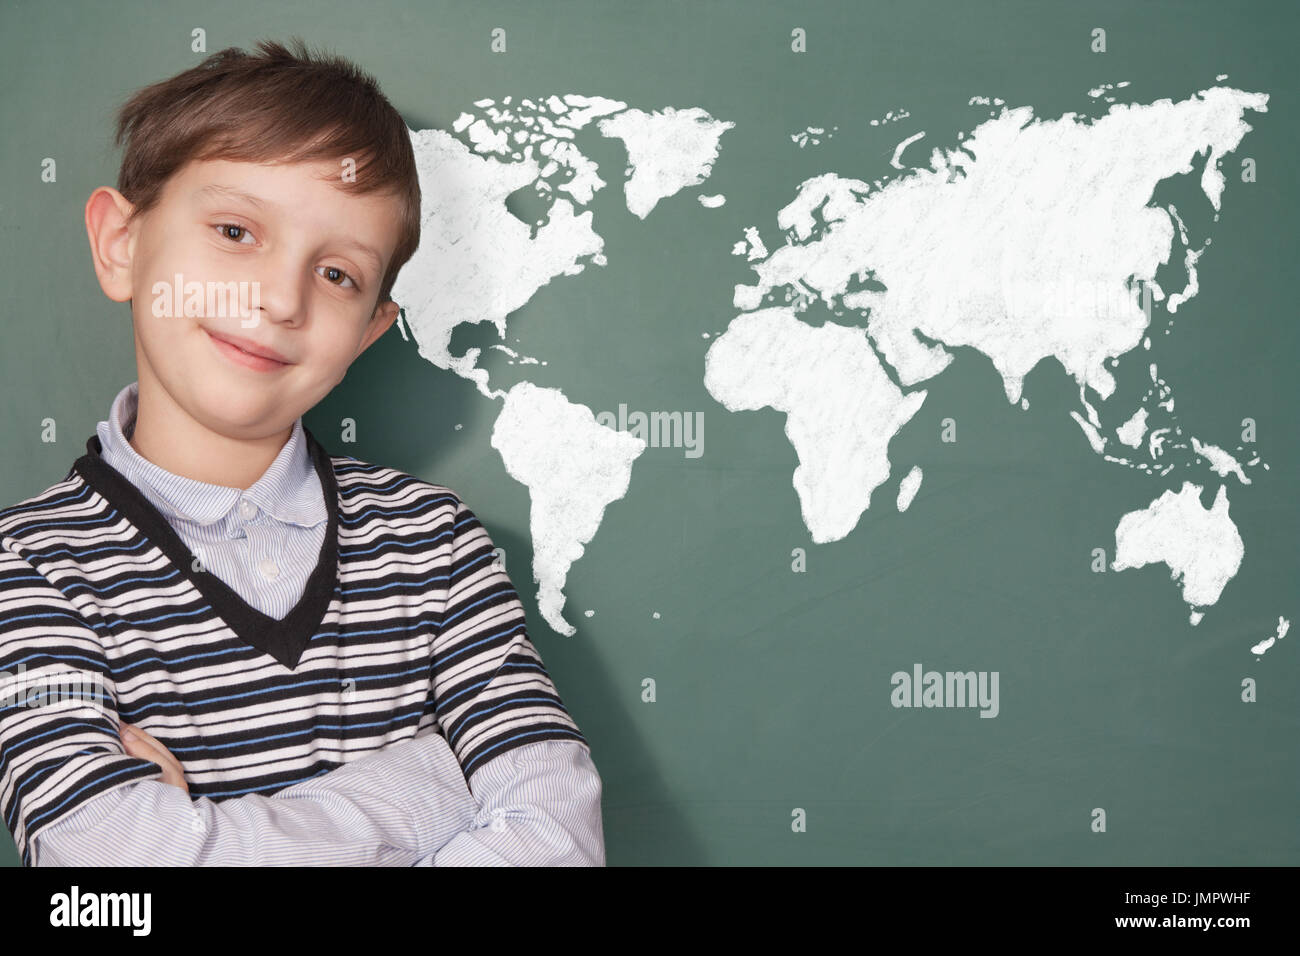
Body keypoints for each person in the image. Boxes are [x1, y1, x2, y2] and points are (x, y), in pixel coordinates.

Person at [0, 38, 603, 866]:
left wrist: (205, 837)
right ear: (121, 245)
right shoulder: (26, 568)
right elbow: (107, 881)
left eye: (337, 276)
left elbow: (559, 843)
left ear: (367, 335)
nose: (279, 298)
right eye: (236, 230)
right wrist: (422, 787)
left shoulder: (438, 543)